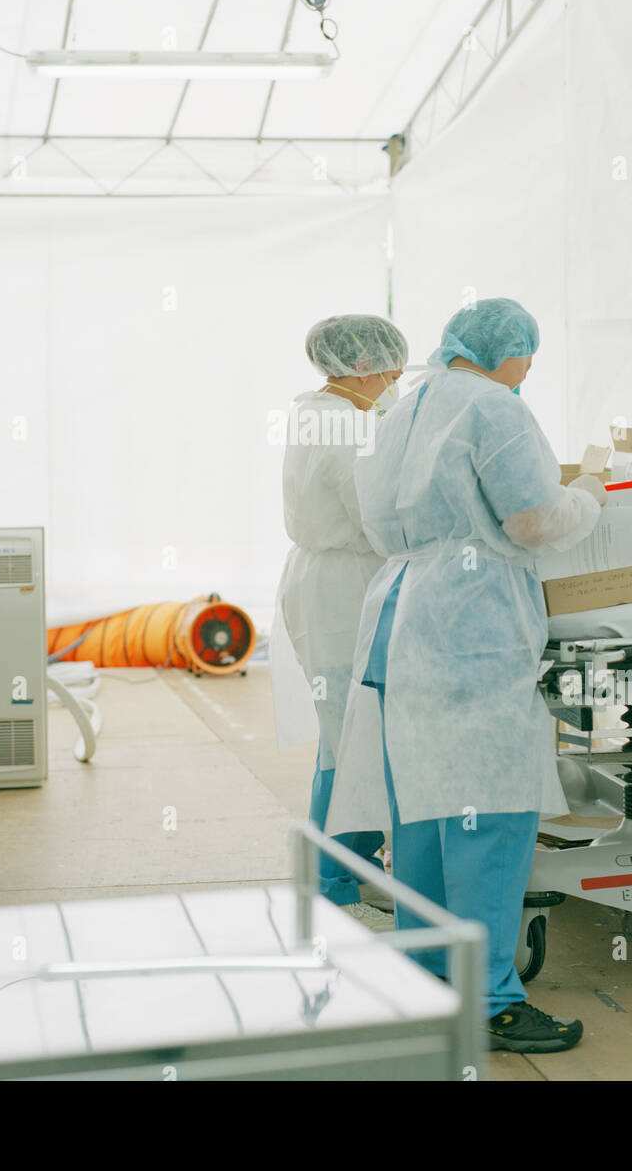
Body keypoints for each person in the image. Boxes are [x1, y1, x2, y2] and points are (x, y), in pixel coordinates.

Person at [326, 298, 607, 1052]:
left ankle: (426, 979)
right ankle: (488, 1000)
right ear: (504, 353)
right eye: (528, 357)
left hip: (399, 616)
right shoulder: (494, 408)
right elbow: (532, 522)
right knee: (487, 810)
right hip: (469, 624)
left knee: (421, 811)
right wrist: (592, 495)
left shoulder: (398, 411)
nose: (527, 372)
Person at [271, 313, 408, 926]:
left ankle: (340, 867)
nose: (397, 378)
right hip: (342, 587)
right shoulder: (348, 427)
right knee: (355, 736)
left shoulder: (319, 411)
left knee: (345, 732)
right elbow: (376, 515)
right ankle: (334, 874)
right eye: (390, 368)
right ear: (363, 367)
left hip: (324, 578)